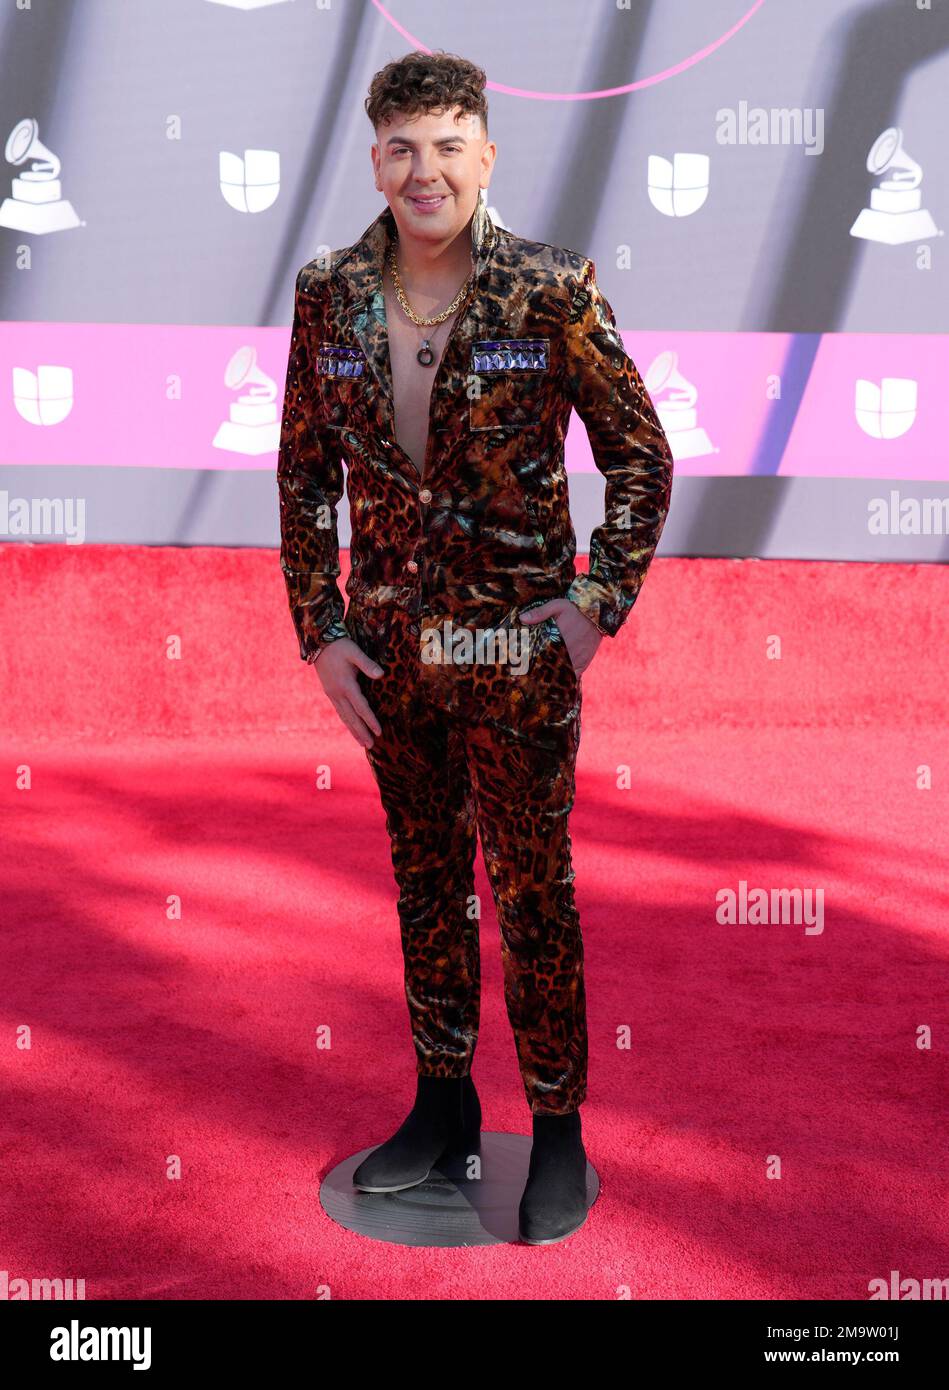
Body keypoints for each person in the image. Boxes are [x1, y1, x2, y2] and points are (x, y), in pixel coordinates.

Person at [277, 50, 674, 1245]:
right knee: (425, 887)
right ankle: (443, 1105)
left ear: (485, 155)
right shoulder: (328, 289)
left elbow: (643, 457)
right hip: (392, 662)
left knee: (534, 891)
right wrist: (321, 632)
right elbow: (301, 475)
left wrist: (594, 603)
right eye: (401, 145)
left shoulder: (553, 289)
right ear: (375, 158)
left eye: (448, 143)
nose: (424, 168)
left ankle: (557, 1127)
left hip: (514, 657)